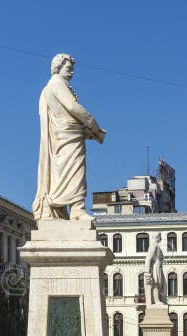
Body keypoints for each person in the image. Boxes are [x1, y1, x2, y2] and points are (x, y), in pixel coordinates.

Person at [33, 53, 106, 221]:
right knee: (75, 170)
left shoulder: (53, 86)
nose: (72, 72)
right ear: (58, 68)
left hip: (66, 134)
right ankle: (77, 209)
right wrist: (93, 124)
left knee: (65, 172)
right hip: (68, 135)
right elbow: (73, 107)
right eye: (69, 68)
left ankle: (65, 209)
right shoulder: (57, 83)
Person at [144, 233, 166, 305]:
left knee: (159, 284)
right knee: (156, 284)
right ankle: (156, 300)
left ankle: (157, 299)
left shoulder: (157, 246)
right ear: (157, 237)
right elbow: (149, 258)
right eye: (160, 237)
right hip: (155, 267)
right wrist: (147, 270)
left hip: (159, 267)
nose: (161, 238)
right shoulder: (154, 245)